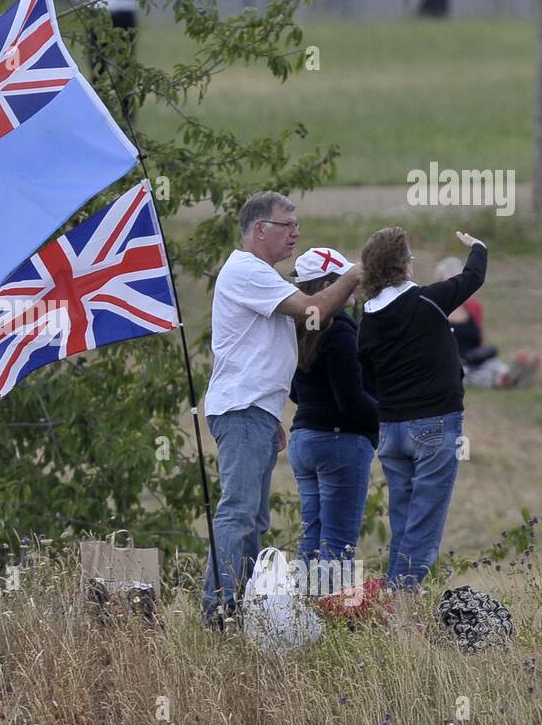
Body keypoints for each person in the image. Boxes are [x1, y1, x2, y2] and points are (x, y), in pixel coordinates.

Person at [202, 192, 363, 622]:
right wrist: (353, 276)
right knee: (239, 512)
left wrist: (270, 413)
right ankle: (220, 608)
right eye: (286, 225)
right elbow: (313, 311)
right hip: (243, 409)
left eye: (296, 225)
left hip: (253, 408)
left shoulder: (260, 275)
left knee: (253, 518)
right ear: (259, 229)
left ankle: (244, 607)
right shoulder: (247, 271)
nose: (295, 234)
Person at [357, 229, 487, 588]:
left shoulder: (368, 318)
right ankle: (402, 601)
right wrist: (478, 247)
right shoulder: (427, 302)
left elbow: (367, 380)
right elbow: (472, 277)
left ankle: (392, 595)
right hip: (432, 426)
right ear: (404, 267)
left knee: (404, 518)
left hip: (391, 432)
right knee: (425, 522)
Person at [286, 247, 379, 586]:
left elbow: (294, 390)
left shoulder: (297, 326)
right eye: (348, 280)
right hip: (340, 442)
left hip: (303, 439)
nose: (356, 288)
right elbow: (350, 400)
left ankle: (298, 616)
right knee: (338, 544)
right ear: (328, 283)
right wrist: (387, 416)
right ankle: (330, 616)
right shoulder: (340, 330)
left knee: (312, 539)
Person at [434, 256, 540, 389]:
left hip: (476, 356)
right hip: (454, 362)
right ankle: (505, 381)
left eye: (457, 281)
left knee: (494, 365)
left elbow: (479, 336)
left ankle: (513, 374)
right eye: (449, 282)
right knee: (464, 373)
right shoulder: (435, 310)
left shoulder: (473, 307)